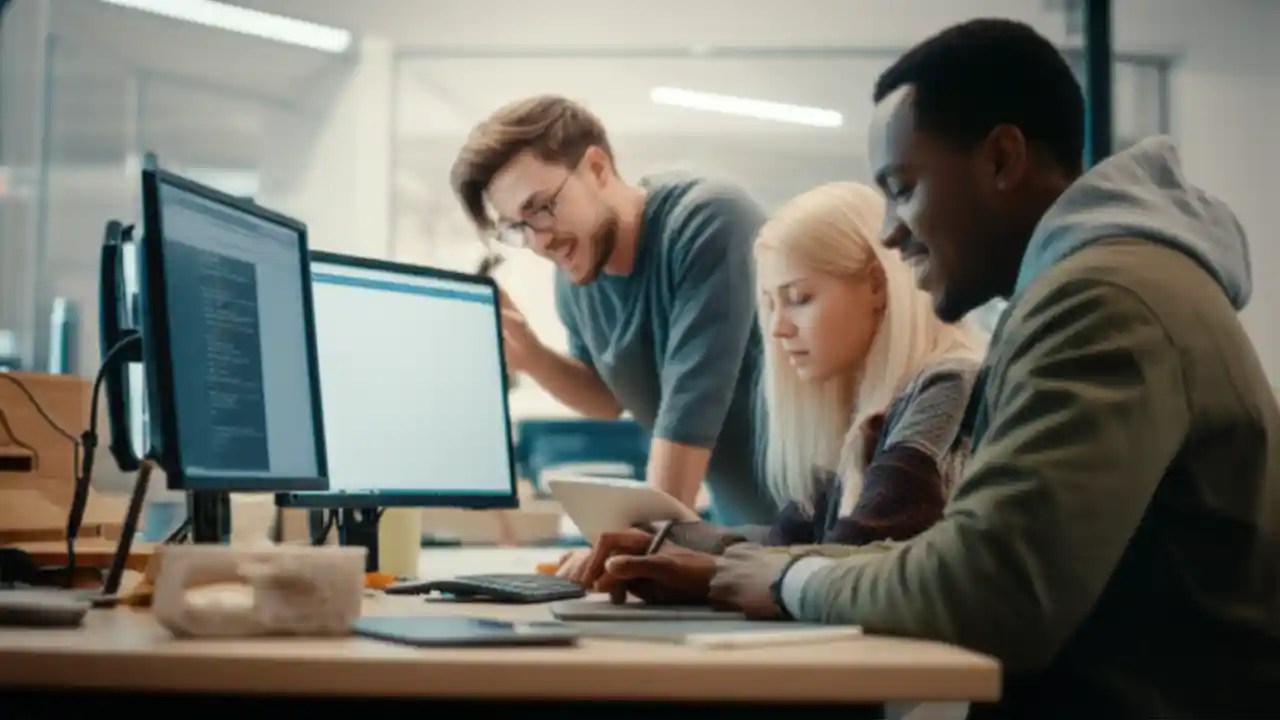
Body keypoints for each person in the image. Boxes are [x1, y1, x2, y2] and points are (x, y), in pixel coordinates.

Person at [585, 18, 1280, 719]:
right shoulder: (1099, 288)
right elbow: (961, 552)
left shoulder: (1100, 302)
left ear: (1002, 159)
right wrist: (745, 566)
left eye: (904, 188)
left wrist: (786, 580)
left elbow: (993, 589)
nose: (890, 230)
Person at [570, 181, 985, 593]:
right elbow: (788, 541)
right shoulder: (863, 410)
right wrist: (660, 540)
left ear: (877, 286)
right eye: (771, 304)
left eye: (799, 298)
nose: (778, 328)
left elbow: (857, 556)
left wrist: (709, 572)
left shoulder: (946, 388)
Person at [449, 95, 777, 538]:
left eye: (541, 208)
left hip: (828, 524)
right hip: (751, 530)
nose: (539, 243)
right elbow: (606, 399)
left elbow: (690, 415)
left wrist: (630, 549)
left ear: (597, 168)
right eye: (517, 227)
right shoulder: (576, 273)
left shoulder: (708, 222)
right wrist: (530, 355)